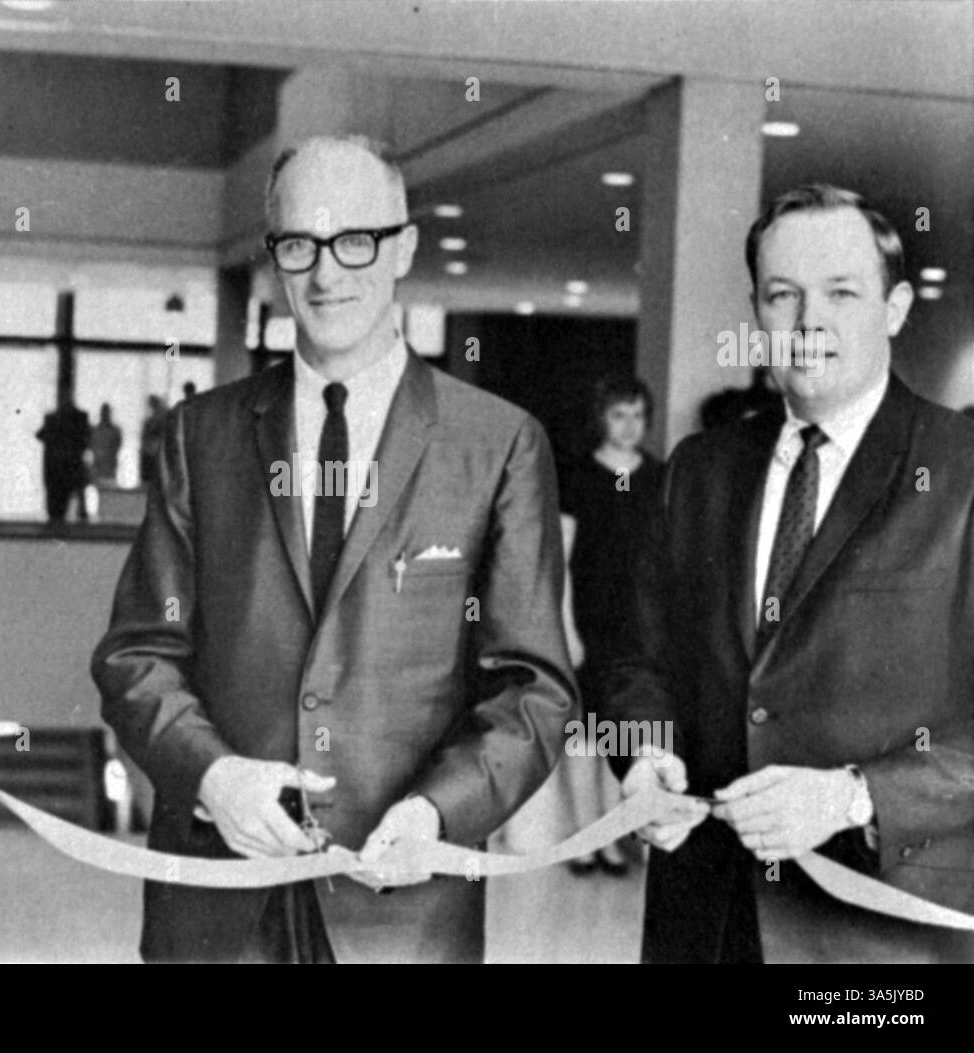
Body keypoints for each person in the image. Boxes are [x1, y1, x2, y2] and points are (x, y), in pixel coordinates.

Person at [93, 135, 576, 963]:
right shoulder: (199, 436)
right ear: (272, 255)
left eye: (357, 240)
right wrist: (214, 776)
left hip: (406, 912)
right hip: (217, 901)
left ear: (405, 248)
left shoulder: (498, 444)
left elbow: (534, 691)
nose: (327, 272)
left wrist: (436, 810)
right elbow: (138, 655)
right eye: (299, 245)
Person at [607, 185, 974, 963]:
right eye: (784, 295)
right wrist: (645, 758)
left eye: (842, 292)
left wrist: (853, 795)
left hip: (881, 940)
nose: (809, 324)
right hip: (702, 924)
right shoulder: (698, 471)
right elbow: (638, 662)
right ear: (757, 310)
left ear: (897, 306)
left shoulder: (962, 472)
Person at [558, 375, 663, 875]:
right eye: (619, 414)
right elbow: (558, 559)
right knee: (582, 736)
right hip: (587, 620)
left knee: (622, 736)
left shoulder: (659, 477)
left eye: (638, 415)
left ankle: (611, 838)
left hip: (639, 624)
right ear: (602, 417)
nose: (629, 425)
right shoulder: (577, 475)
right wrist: (567, 631)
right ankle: (582, 839)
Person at [36, 390, 90, 523]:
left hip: (62, 466)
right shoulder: (56, 419)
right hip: (61, 467)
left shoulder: (59, 419)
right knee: (59, 502)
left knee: (61, 501)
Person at [88, 401, 123, 521]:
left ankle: (106, 515)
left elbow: (117, 445)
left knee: (108, 491)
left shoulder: (112, 430)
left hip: (108, 464)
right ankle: (98, 513)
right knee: (97, 491)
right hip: (100, 464)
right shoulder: (97, 430)